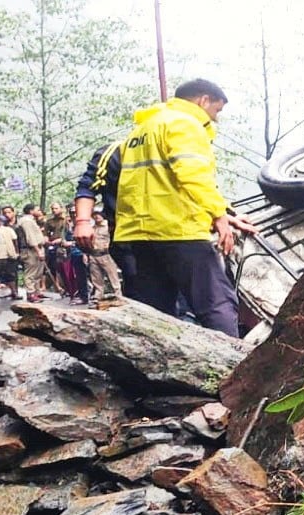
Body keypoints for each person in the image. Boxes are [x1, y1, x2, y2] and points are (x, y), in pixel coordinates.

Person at [113, 78, 256, 336]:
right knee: (216, 303)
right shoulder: (184, 124)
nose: (216, 119)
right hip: (179, 231)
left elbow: (157, 183)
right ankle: (234, 367)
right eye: (217, 111)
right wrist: (219, 216)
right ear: (203, 100)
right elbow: (192, 175)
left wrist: (226, 212)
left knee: (157, 314)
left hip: (139, 234)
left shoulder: (142, 130)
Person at [73, 140, 136, 294]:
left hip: (179, 235)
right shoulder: (116, 151)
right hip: (128, 237)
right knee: (139, 287)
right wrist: (82, 222)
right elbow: (87, 186)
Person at [85, 209, 122, 305]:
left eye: (98, 214)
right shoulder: (93, 228)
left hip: (106, 254)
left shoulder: (108, 227)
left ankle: (118, 296)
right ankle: (98, 296)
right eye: (94, 215)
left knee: (113, 276)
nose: (96, 216)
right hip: (94, 254)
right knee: (96, 278)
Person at [16, 203, 48, 301]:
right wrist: (38, 251)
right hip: (31, 250)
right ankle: (30, 293)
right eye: (37, 210)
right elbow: (30, 238)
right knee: (31, 273)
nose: (39, 211)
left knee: (38, 272)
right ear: (31, 211)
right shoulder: (26, 221)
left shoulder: (32, 221)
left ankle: (37, 291)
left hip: (37, 248)